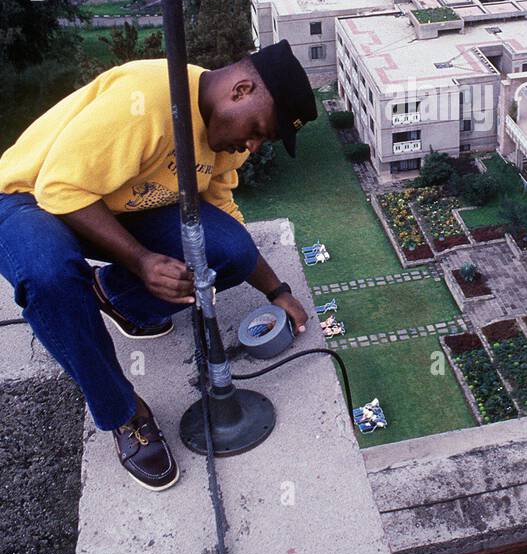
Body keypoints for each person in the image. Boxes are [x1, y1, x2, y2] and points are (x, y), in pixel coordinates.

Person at [0, 40, 317, 493]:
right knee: (50, 277)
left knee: (230, 250)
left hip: (112, 202)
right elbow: (60, 189)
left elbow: (224, 218)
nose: (252, 145)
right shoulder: (148, 102)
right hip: (29, 198)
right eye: (258, 130)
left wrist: (276, 290)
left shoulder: (226, 139)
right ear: (242, 90)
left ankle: (115, 296)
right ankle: (124, 412)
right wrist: (141, 259)